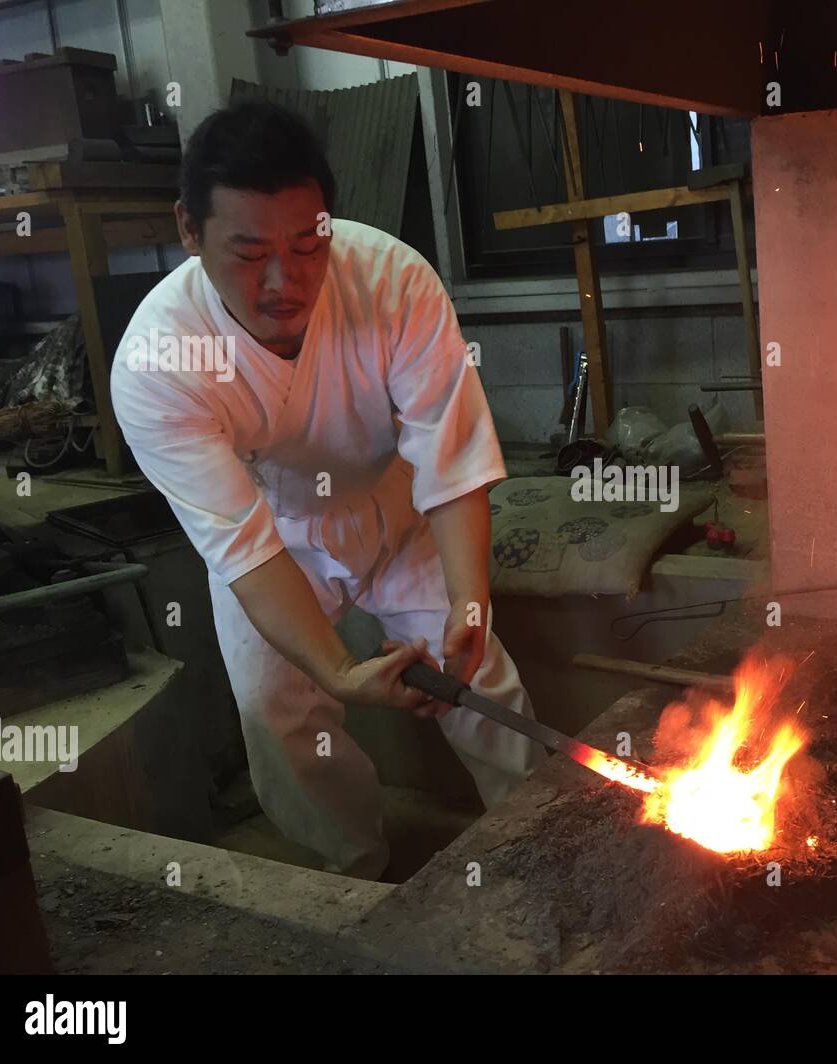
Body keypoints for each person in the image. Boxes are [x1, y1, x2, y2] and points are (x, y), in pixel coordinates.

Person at [111, 99, 543, 879]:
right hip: (274, 536)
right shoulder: (158, 362)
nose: (285, 280)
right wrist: (337, 672)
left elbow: (451, 463)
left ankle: (544, 843)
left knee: (483, 678)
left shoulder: (392, 280)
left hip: (394, 503)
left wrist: (469, 604)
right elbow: (241, 548)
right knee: (279, 712)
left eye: (307, 243)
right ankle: (354, 870)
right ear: (187, 229)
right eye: (248, 252)